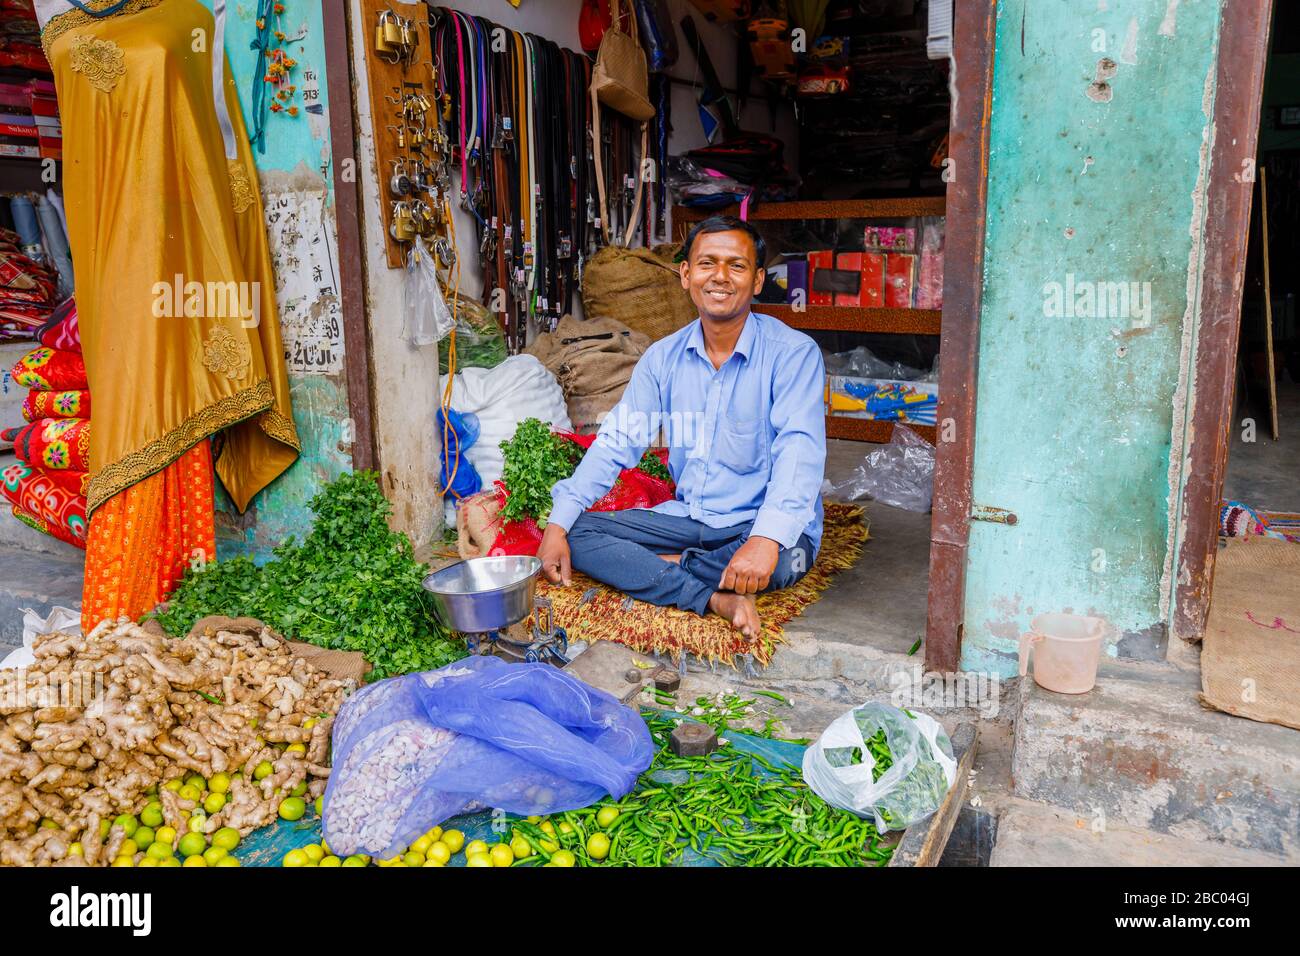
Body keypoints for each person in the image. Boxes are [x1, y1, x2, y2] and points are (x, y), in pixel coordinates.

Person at [537, 216, 826, 639]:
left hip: (755, 521)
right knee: (579, 533)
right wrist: (557, 525)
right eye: (707, 263)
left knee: (785, 562)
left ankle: (670, 566)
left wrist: (764, 541)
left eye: (737, 265)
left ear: (758, 280)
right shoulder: (661, 358)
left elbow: (799, 454)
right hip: (691, 517)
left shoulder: (794, 354)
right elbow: (617, 441)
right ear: (686, 275)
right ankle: (714, 597)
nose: (720, 277)